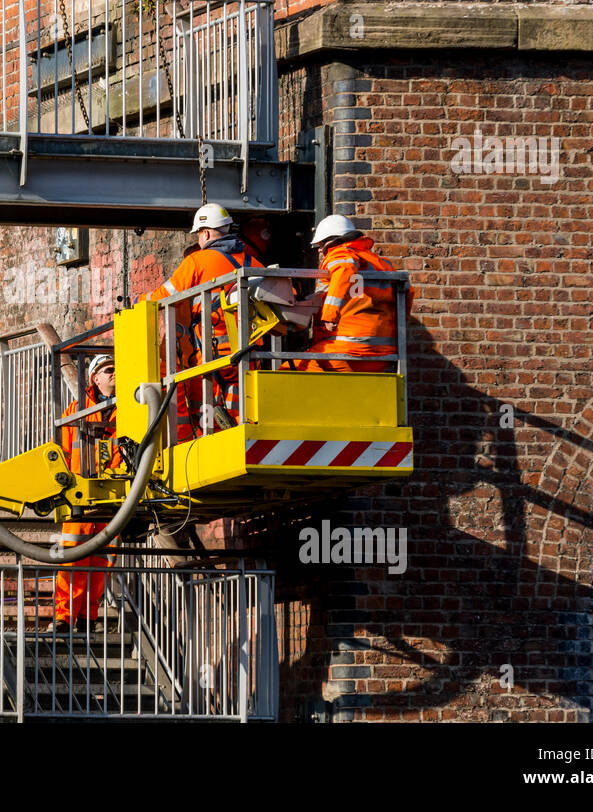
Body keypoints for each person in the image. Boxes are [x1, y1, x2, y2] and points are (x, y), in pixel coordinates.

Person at [144, 203, 265, 435]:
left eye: (199, 234)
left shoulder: (197, 261)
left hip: (214, 351)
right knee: (241, 399)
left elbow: (163, 297)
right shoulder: (253, 263)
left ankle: (210, 437)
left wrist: (140, 301)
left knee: (205, 401)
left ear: (206, 233)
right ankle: (242, 433)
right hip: (251, 350)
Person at [293, 214, 411, 373]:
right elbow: (407, 292)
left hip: (347, 349)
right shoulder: (382, 264)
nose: (320, 250)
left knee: (292, 369)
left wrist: (329, 315)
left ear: (334, 241)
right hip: (384, 354)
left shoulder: (340, 253)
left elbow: (344, 269)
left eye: (321, 244)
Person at [52, 353, 119, 630]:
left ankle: (88, 617)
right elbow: (64, 451)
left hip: (113, 495)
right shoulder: (76, 410)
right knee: (70, 557)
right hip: (79, 495)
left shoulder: (127, 408)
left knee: (102, 561)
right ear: (95, 378)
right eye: (108, 369)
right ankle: (63, 616)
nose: (114, 372)